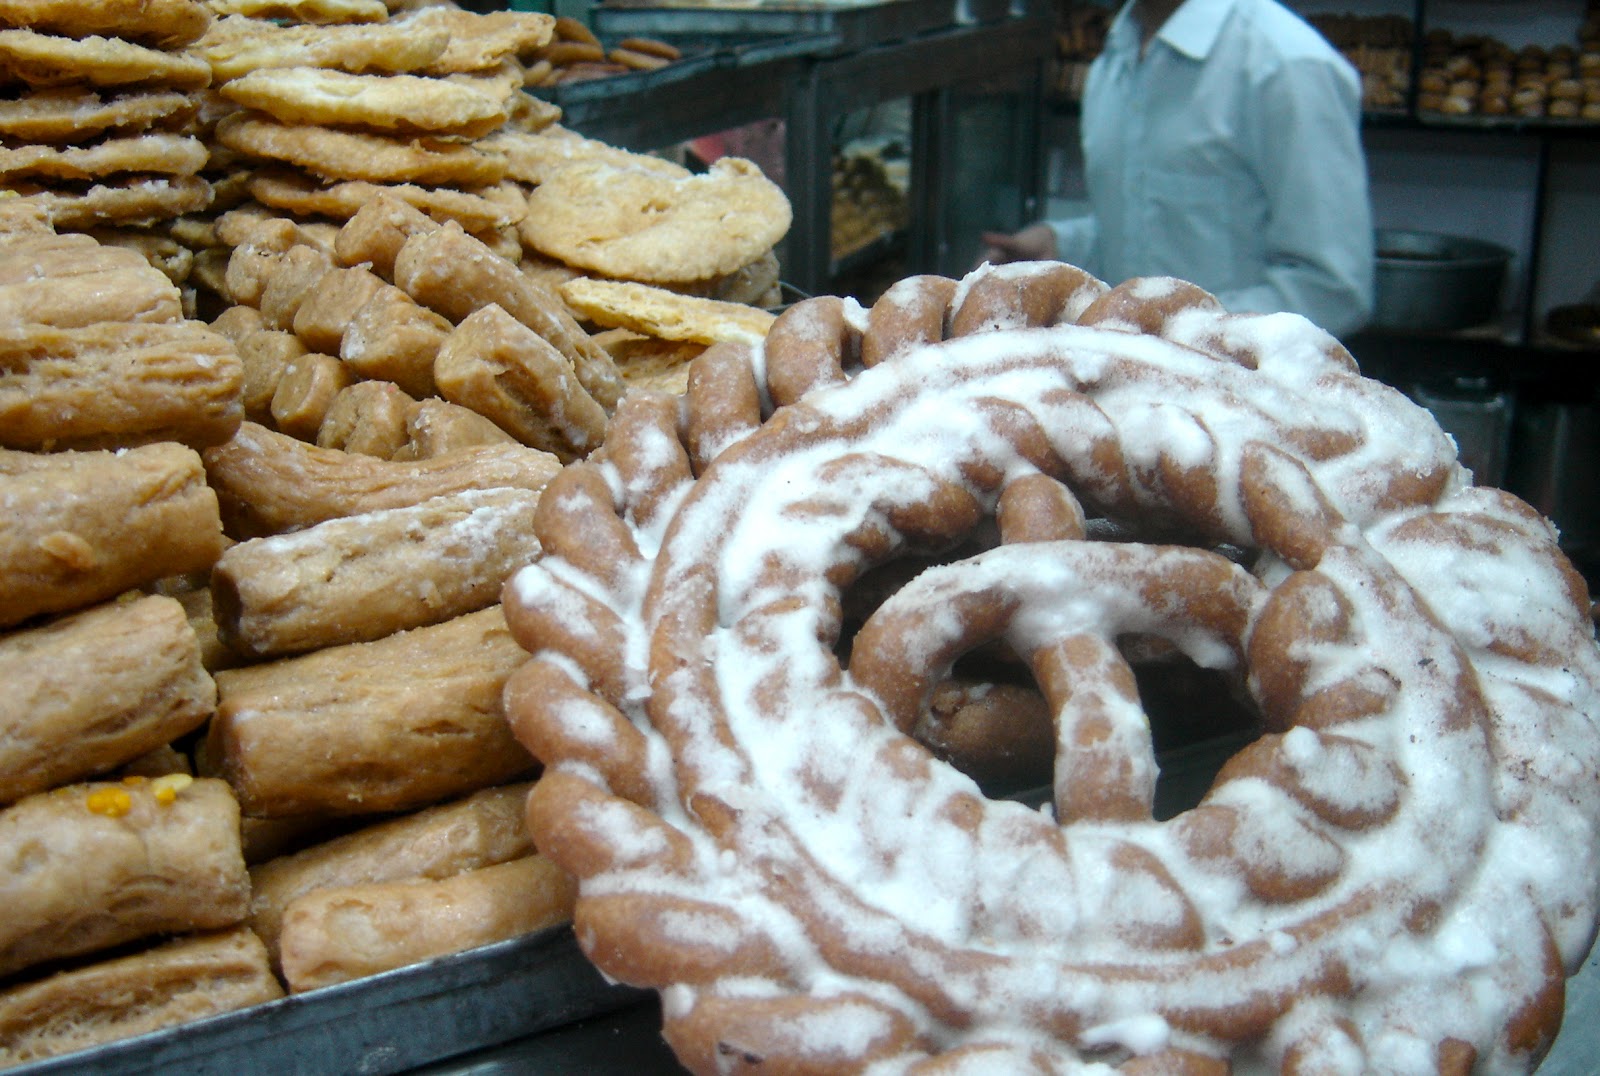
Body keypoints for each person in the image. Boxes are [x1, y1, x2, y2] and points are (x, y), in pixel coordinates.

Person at [980, 0, 1375, 338]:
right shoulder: (1113, 62)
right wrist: (1064, 246)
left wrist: (1170, 332)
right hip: (1133, 388)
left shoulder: (1285, 66)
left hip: (1247, 405)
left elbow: (1331, 289)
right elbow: (1150, 229)